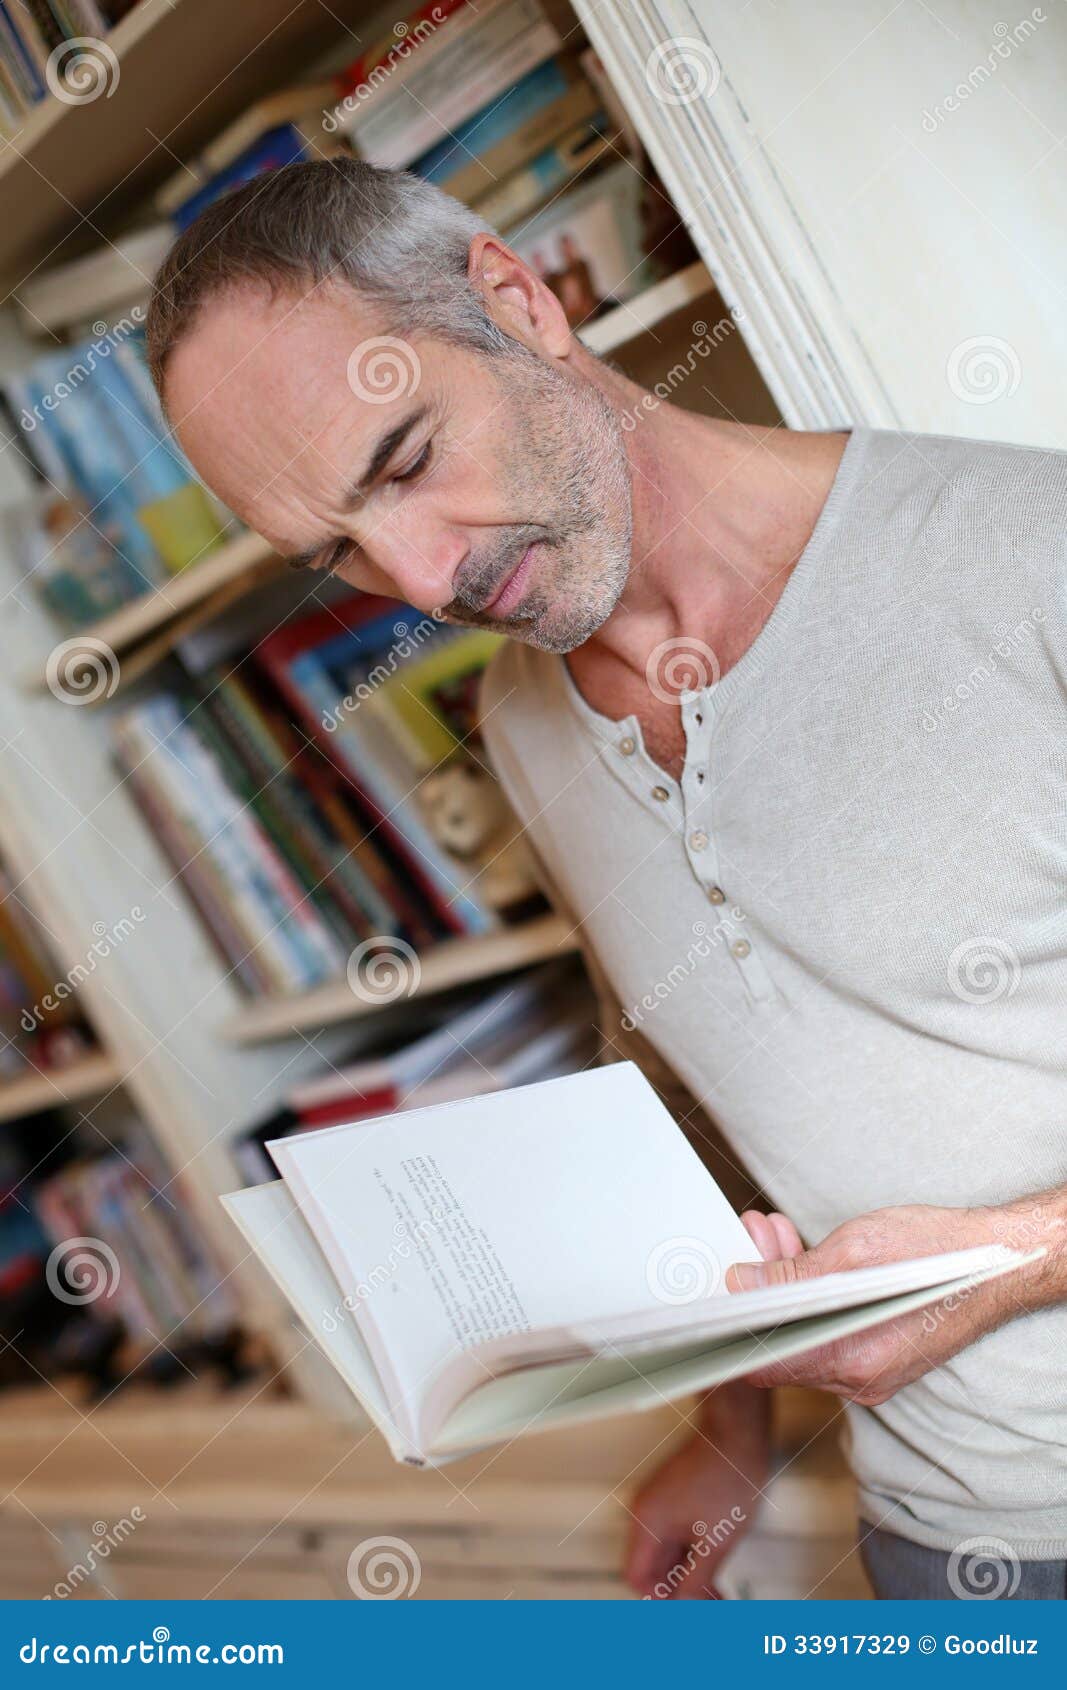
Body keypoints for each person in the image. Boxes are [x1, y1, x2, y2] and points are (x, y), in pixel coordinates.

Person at [145, 158, 1067, 1602]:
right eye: (335, 547)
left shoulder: (1033, 558)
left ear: (519, 302)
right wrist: (731, 1421)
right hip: (936, 1544)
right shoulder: (518, 720)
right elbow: (700, 1066)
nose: (418, 575)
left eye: (401, 462)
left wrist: (1006, 1257)